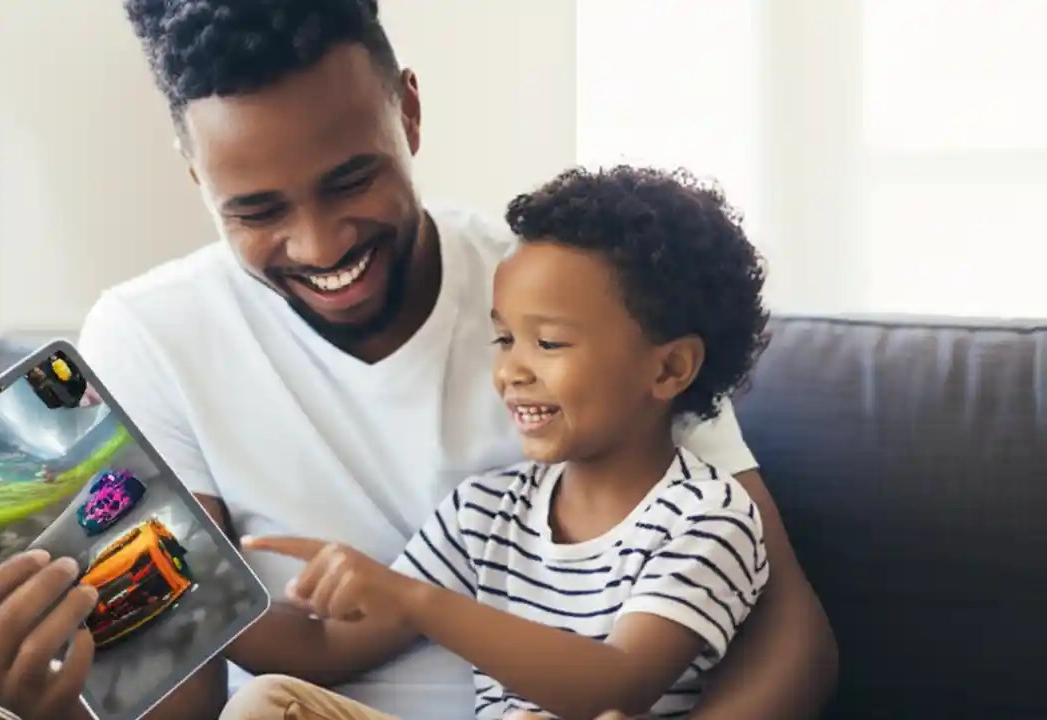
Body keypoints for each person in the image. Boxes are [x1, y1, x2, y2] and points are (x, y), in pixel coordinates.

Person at [0, 2, 836, 719]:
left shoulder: (569, 292)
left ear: (410, 114)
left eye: (351, 181)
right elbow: (190, 693)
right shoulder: (150, 336)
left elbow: (787, 631)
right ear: (195, 175)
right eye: (254, 208)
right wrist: (75, 681)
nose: (319, 243)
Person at [213, 163, 774, 720]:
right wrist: (193, 599)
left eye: (548, 343)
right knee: (269, 705)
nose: (512, 371)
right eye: (504, 338)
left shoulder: (709, 518)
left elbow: (617, 686)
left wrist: (415, 602)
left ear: (670, 368)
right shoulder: (485, 511)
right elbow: (327, 649)